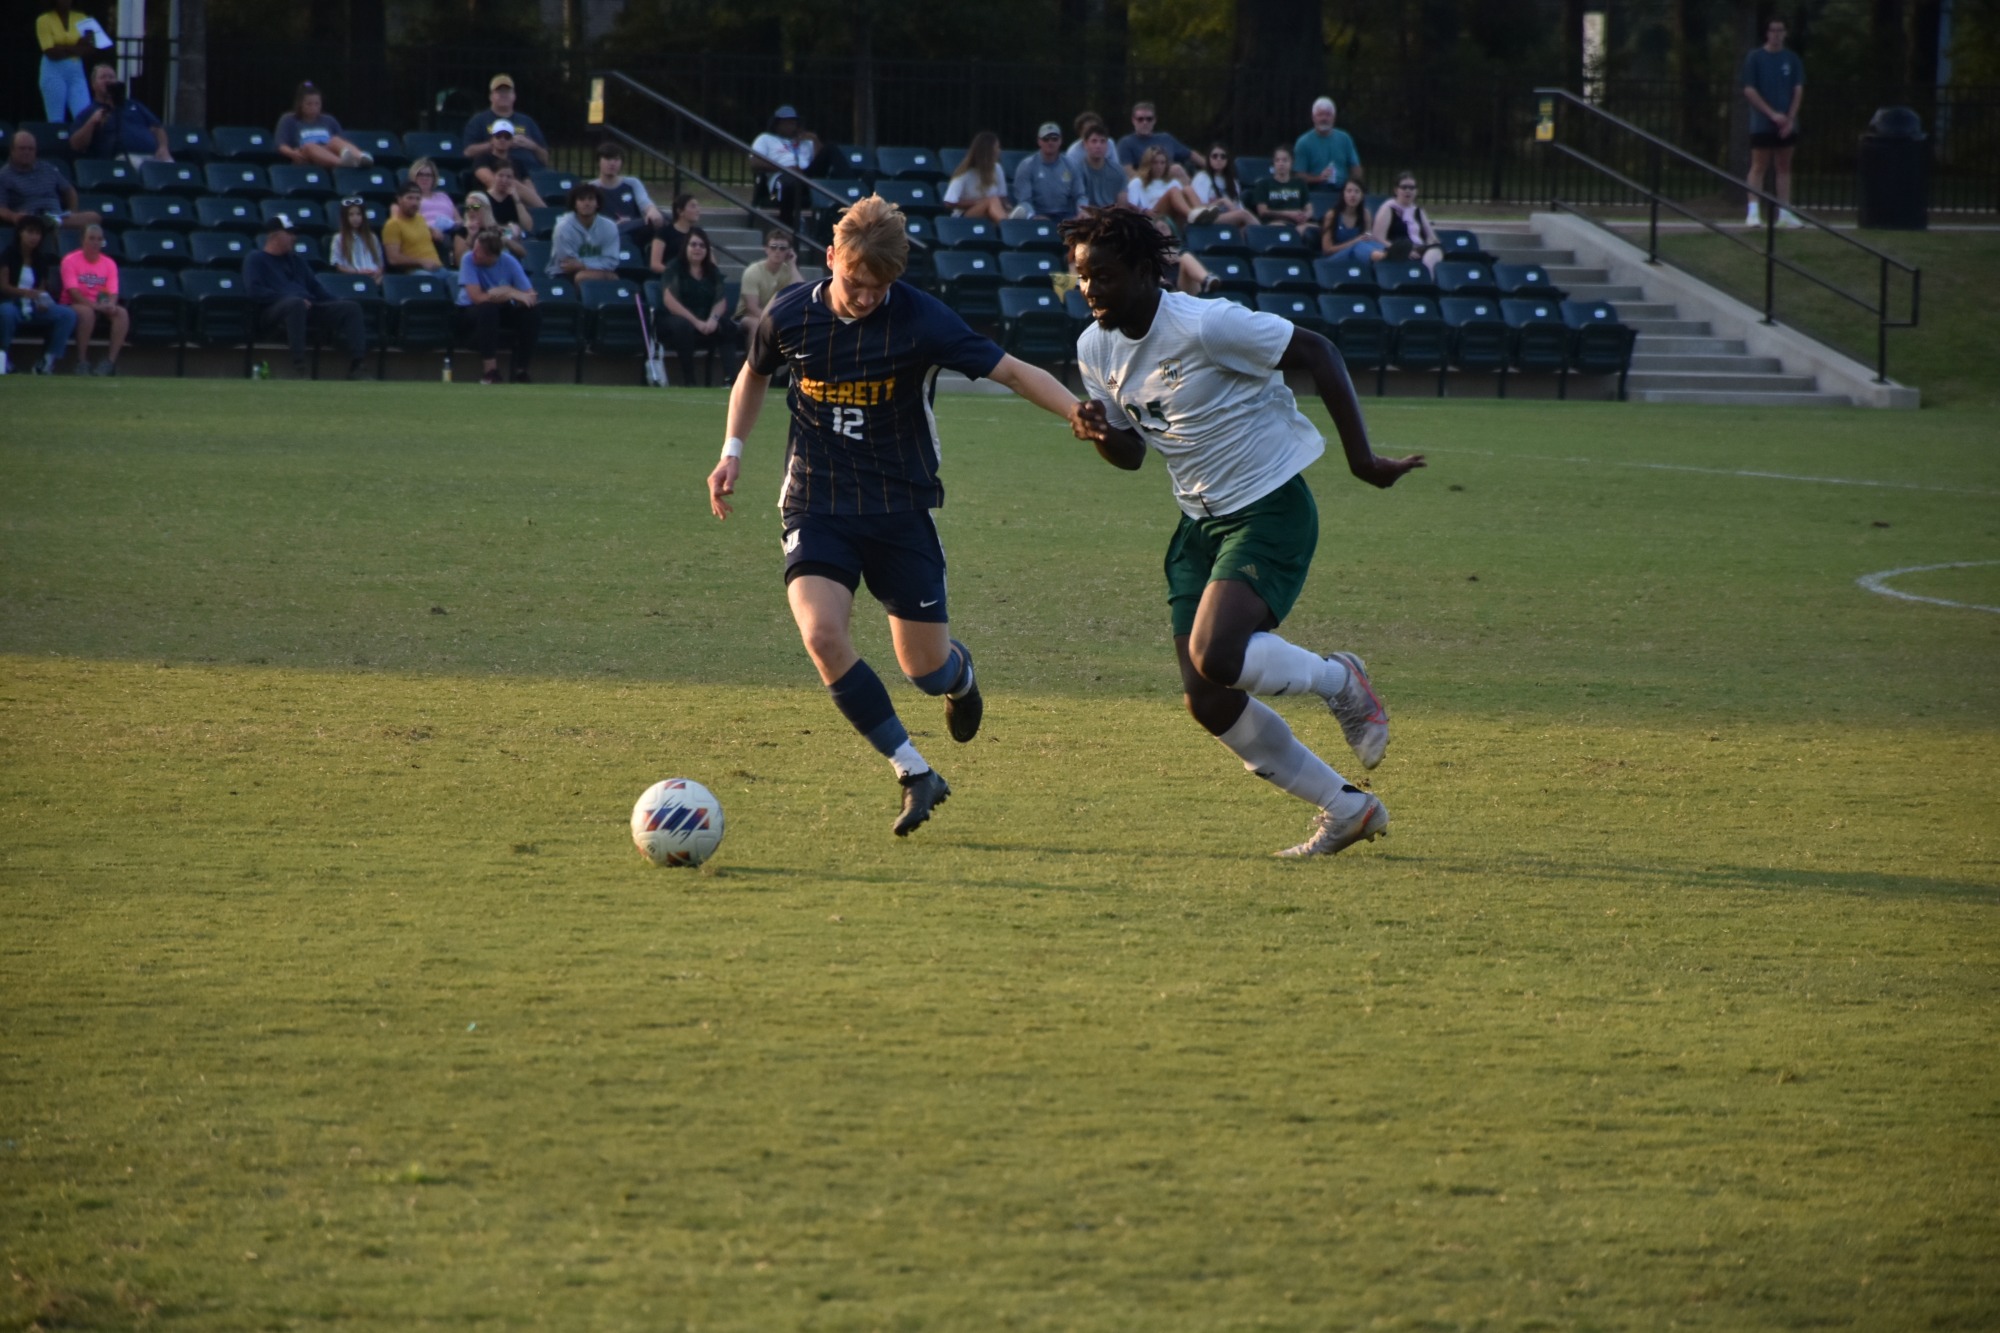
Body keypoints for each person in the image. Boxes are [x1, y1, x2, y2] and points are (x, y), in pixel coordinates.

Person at [705, 195, 1096, 837]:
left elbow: (1013, 372)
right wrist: (732, 453)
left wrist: (1078, 412)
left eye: (878, 287)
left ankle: (960, 677)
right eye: (855, 283)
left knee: (926, 670)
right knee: (823, 635)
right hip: (818, 502)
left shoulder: (921, 320)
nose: (864, 298)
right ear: (830, 258)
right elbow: (754, 375)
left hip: (899, 507)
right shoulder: (790, 315)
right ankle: (915, 771)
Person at [1061, 205, 1424, 858]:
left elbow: (1318, 350)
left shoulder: (1205, 323)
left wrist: (1363, 461)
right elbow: (1134, 453)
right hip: (1198, 525)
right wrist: (1100, 435)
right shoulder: (1095, 347)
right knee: (1206, 697)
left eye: (1104, 277)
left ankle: (1342, 681)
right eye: (1082, 278)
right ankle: (1346, 808)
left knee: (1219, 655)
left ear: (1147, 271)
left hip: (1269, 507)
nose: (1090, 291)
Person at [242, 213, 369, 379]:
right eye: (290, 234)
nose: (294, 238)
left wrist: (337, 303)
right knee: (295, 303)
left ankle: (357, 365)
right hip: (274, 310)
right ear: (275, 235)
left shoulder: (297, 261)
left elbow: (316, 289)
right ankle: (299, 365)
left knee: (350, 308)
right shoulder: (256, 259)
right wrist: (288, 298)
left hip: (306, 306)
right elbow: (254, 291)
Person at [1741, 18, 1805, 229]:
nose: (1776, 34)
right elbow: (1749, 89)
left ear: (1785, 33)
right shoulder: (1756, 58)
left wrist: (1789, 118)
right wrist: (1772, 114)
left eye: (1780, 30)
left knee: (1784, 166)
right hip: (1763, 122)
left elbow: (1797, 89)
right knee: (1759, 164)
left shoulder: (1792, 59)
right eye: (1773, 30)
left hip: (1786, 123)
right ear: (1767, 33)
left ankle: (1784, 212)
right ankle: (1753, 211)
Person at [456, 228, 540, 384]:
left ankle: (521, 371)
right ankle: (490, 371)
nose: (473, 253)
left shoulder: (509, 261)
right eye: (474, 249)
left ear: (492, 256)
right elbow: (477, 297)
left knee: (531, 312)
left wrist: (509, 292)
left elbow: (531, 296)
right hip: (470, 311)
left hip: (501, 307)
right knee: (488, 308)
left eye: (478, 252)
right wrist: (509, 293)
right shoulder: (468, 260)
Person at [0, 215, 78, 374]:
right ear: (20, 233)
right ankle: (4, 358)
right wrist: (25, 293)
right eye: (30, 232)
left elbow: (41, 288)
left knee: (67, 314)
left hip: (33, 307)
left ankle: (47, 360)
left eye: (37, 233)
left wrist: (42, 300)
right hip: (12, 303)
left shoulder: (41, 259)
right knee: (6, 312)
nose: (34, 237)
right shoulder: (7, 255)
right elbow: (4, 286)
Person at [658, 227, 736, 386]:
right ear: (686, 247)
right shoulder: (674, 267)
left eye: (702, 245)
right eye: (693, 244)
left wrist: (713, 320)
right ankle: (690, 380)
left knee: (728, 326)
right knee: (683, 326)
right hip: (677, 319)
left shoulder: (712, 270)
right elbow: (670, 301)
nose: (697, 249)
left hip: (706, 319)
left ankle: (730, 380)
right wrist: (696, 322)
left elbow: (720, 300)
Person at [66, 61, 171, 165]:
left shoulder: (134, 105)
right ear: (93, 84)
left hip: (154, 156)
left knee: (174, 172)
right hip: (123, 159)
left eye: (111, 77)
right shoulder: (89, 112)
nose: (108, 80)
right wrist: (92, 122)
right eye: (103, 77)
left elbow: (157, 128)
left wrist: (163, 147)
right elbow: (76, 145)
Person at [58, 221, 124, 375]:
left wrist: (111, 304)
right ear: (83, 240)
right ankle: (82, 361)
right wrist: (94, 306)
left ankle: (110, 363)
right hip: (73, 303)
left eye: (99, 239)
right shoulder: (70, 260)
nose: (95, 242)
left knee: (122, 314)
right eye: (92, 238)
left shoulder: (109, 263)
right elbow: (73, 291)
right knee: (87, 313)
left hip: (99, 302)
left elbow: (112, 291)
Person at [0, 131, 99, 230]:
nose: (27, 152)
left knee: (94, 217)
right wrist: (14, 217)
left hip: (58, 216)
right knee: (34, 224)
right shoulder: (3, 176)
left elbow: (69, 191)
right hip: (31, 220)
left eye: (31, 149)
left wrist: (73, 212)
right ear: (12, 150)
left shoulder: (47, 168)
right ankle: (50, 225)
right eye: (22, 149)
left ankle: (53, 224)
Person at [465, 75, 551, 184]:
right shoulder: (479, 120)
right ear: (491, 96)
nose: (504, 95)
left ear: (514, 96)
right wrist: (496, 143)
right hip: (499, 170)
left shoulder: (527, 121)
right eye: (499, 92)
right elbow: (468, 152)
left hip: (532, 171)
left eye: (507, 92)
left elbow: (545, 159)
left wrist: (531, 145)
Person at [275, 81, 372, 170]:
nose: (313, 107)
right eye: (309, 104)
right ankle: (343, 164)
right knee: (310, 146)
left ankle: (361, 157)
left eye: (317, 104)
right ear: (300, 104)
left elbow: (342, 142)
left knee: (335, 140)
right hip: (305, 155)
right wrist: (292, 153)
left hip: (329, 152)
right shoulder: (289, 119)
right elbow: (281, 145)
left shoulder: (329, 120)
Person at [749, 105, 818, 231]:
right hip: (783, 175)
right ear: (776, 124)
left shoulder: (806, 142)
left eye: (793, 122)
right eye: (785, 122)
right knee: (790, 181)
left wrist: (814, 140)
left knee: (832, 151)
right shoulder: (765, 139)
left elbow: (820, 162)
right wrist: (784, 168)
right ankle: (787, 227)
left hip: (807, 175)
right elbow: (754, 163)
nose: (790, 126)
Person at [37, 3, 103, 124]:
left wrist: (62, 47)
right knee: (55, 119)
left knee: (84, 116)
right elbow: (51, 52)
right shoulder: (43, 20)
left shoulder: (81, 17)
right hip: (53, 71)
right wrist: (77, 46)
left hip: (76, 71)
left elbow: (93, 47)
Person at [734, 229, 803, 340]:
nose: (777, 251)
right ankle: (754, 358)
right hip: (747, 315)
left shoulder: (789, 270)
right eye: (773, 247)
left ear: (789, 251)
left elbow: (801, 292)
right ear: (766, 249)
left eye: (782, 248)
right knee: (757, 325)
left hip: (777, 315)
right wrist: (772, 321)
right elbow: (752, 307)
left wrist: (792, 264)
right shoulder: (753, 271)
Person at [591, 142, 665, 244]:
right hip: (606, 233)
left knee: (663, 217)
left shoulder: (632, 183)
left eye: (616, 160)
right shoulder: (591, 188)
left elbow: (644, 202)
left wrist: (652, 210)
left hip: (634, 231)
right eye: (608, 159)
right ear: (598, 162)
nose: (612, 163)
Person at [548, 182, 620, 282]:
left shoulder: (610, 226)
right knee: (582, 277)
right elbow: (568, 265)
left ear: (597, 203)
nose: (586, 203)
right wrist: (594, 263)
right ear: (575, 204)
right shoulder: (563, 227)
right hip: (563, 276)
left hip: (597, 271)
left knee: (613, 278)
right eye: (581, 200)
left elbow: (611, 261)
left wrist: (583, 265)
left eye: (591, 199)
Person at [1371, 171, 1443, 271]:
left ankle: (1427, 277)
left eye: (1412, 188)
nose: (1408, 191)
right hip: (1396, 248)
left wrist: (1430, 244)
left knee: (1435, 250)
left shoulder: (1418, 211)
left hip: (1419, 248)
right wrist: (1402, 250)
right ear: (1396, 190)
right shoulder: (1388, 209)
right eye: (1404, 187)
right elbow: (1378, 238)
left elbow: (1431, 237)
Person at [1012, 123, 1083, 221]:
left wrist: (1082, 211)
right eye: (1046, 139)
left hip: (1066, 215)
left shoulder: (1071, 165)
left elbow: (1080, 195)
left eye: (1054, 139)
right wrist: (1033, 216)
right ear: (1039, 141)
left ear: (1060, 141)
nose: (1050, 142)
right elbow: (1024, 200)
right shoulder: (1026, 166)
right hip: (1038, 214)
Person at [1293, 97, 1363, 189]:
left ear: (1334, 118)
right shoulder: (1303, 142)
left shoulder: (1345, 138)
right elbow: (1298, 175)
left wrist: (1351, 186)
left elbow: (1355, 167)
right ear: (1313, 118)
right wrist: (1319, 178)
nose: (1324, 118)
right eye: (1320, 114)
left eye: (1328, 115)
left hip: (1342, 191)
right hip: (1315, 192)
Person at [1115, 102, 1195, 183]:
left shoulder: (1166, 138)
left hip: (1170, 183)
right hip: (1144, 183)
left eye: (1149, 119)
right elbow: (1128, 171)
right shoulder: (1126, 143)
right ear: (1133, 120)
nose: (1145, 122)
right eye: (1140, 119)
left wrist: (1207, 167)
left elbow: (1191, 154)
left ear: (1154, 120)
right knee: (1176, 169)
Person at [1125, 145, 1203, 225]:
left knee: (1188, 189)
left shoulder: (1172, 182)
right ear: (1148, 164)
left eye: (1162, 163)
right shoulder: (1137, 182)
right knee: (1173, 190)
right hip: (1153, 217)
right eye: (1155, 163)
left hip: (1175, 218)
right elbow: (1130, 207)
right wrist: (1144, 211)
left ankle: (1202, 213)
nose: (1159, 167)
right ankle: (1192, 214)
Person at [943, 132, 1011, 224]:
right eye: (997, 148)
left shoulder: (997, 168)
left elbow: (1002, 197)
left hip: (989, 213)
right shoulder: (965, 173)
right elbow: (949, 202)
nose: (999, 151)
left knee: (994, 204)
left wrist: (1007, 207)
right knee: (992, 200)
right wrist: (978, 202)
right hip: (964, 216)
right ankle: (1008, 224)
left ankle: (1008, 221)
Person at [407, 158, 466, 262]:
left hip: (450, 230)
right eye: (420, 174)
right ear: (414, 176)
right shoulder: (411, 198)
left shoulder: (443, 196)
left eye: (428, 175)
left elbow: (458, 220)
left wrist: (456, 224)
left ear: (434, 178)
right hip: (426, 231)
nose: (424, 178)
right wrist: (430, 229)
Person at [1187, 144, 1257, 227]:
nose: (1219, 159)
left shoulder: (1232, 181)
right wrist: (1222, 201)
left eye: (1223, 156)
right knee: (1244, 215)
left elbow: (1238, 206)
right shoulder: (1202, 177)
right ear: (1209, 159)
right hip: (1208, 217)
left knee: (1244, 228)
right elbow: (1200, 208)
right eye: (1215, 156)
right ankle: (1265, 236)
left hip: (1229, 216)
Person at [381, 182, 442, 273]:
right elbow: (393, 259)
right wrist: (420, 262)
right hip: (417, 271)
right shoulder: (392, 225)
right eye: (410, 198)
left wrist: (435, 233)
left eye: (418, 199)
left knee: (458, 277)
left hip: (439, 269)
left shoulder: (420, 218)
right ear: (399, 199)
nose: (414, 203)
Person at [1320, 179, 1386, 262]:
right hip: (1335, 258)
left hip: (1359, 255)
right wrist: (1354, 242)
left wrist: (1367, 237)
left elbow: (1367, 237)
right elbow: (1327, 250)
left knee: (1370, 244)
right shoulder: (1332, 215)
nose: (1353, 195)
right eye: (1349, 191)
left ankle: (1388, 253)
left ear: (1362, 196)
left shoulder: (1365, 214)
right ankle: (1383, 256)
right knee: (1358, 245)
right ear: (1343, 194)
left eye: (1357, 192)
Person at [1246, 146, 1313, 227]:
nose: (1281, 163)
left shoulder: (1300, 183)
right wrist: (1288, 214)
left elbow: (1309, 208)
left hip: (1298, 223)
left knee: (1312, 229)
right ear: (1273, 163)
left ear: (1292, 162)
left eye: (1285, 160)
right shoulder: (1263, 184)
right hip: (1275, 222)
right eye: (1277, 160)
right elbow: (1262, 211)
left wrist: (1306, 216)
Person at [329, 197, 384, 283]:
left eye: (358, 214)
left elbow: (380, 263)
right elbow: (339, 266)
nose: (355, 218)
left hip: (374, 279)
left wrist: (377, 274)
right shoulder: (338, 238)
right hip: (352, 279)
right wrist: (358, 272)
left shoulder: (372, 237)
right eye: (351, 215)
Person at [462, 191, 526, 260]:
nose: (471, 210)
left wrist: (506, 240)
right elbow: (462, 260)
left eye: (475, 207)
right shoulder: (463, 230)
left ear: (485, 209)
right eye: (468, 207)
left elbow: (522, 253)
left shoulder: (498, 229)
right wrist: (471, 236)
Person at [1074, 125, 1127, 209]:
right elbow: (1078, 202)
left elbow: (1122, 203)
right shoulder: (1077, 171)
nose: (1098, 146)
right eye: (1094, 141)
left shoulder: (1118, 171)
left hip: (1112, 217)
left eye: (1102, 141)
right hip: (1087, 216)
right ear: (1085, 144)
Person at [649, 193, 701, 273]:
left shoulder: (699, 233)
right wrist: (678, 274)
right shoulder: (664, 232)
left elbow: (711, 261)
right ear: (680, 211)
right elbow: (655, 264)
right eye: (693, 206)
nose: (698, 210)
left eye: (697, 206)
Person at [485, 162, 545, 230]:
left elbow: (528, 226)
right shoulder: (483, 197)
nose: (504, 180)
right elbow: (474, 207)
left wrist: (517, 200)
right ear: (494, 176)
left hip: (513, 235)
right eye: (500, 176)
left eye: (509, 177)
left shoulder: (515, 199)